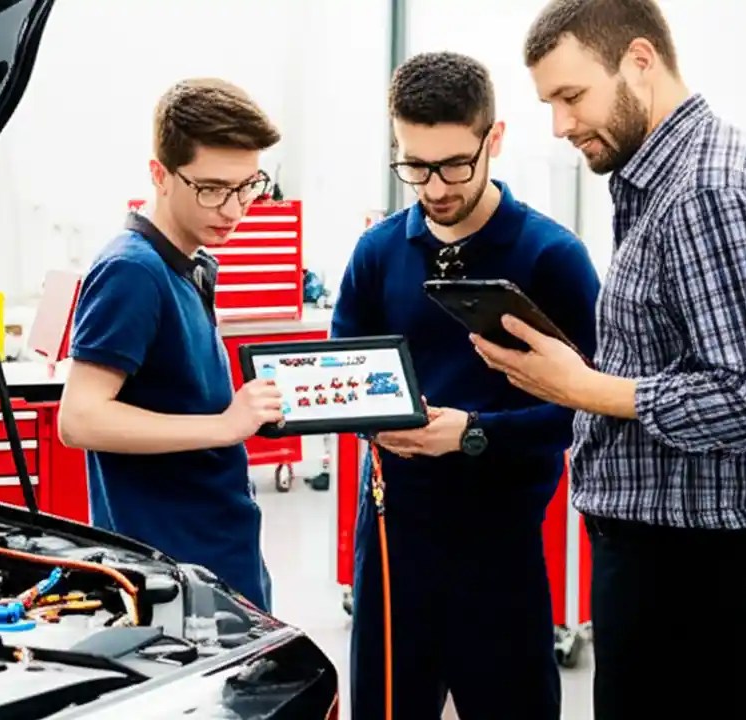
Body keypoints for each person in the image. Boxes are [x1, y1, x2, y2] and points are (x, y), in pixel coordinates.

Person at [471, 1, 746, 717]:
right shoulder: (660, 184)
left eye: (572, 97)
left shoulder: (708, 192)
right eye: (549, 104)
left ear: (639, 60)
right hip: (668, 565)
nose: (561, 126)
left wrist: (588, 389)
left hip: (695, 578)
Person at [332, 51, 601, 720]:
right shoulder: (377, 253)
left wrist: (475, 434)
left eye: (454, 164)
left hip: (500, 547)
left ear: (495, 139)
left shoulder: (551, 258)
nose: (434, 186)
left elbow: (593, 408)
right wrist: (366, 413)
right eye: (414, 166)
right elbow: (339, 374)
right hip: (395, 540)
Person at [58, 78, 284, 612]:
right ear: (159, 174)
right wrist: (225, 425)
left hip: (218, 545)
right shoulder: (133, 271)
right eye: (211, 188)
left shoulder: (194, 263)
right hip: (172, 573)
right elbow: (79, 419)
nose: (234, 209)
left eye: (247, 186)